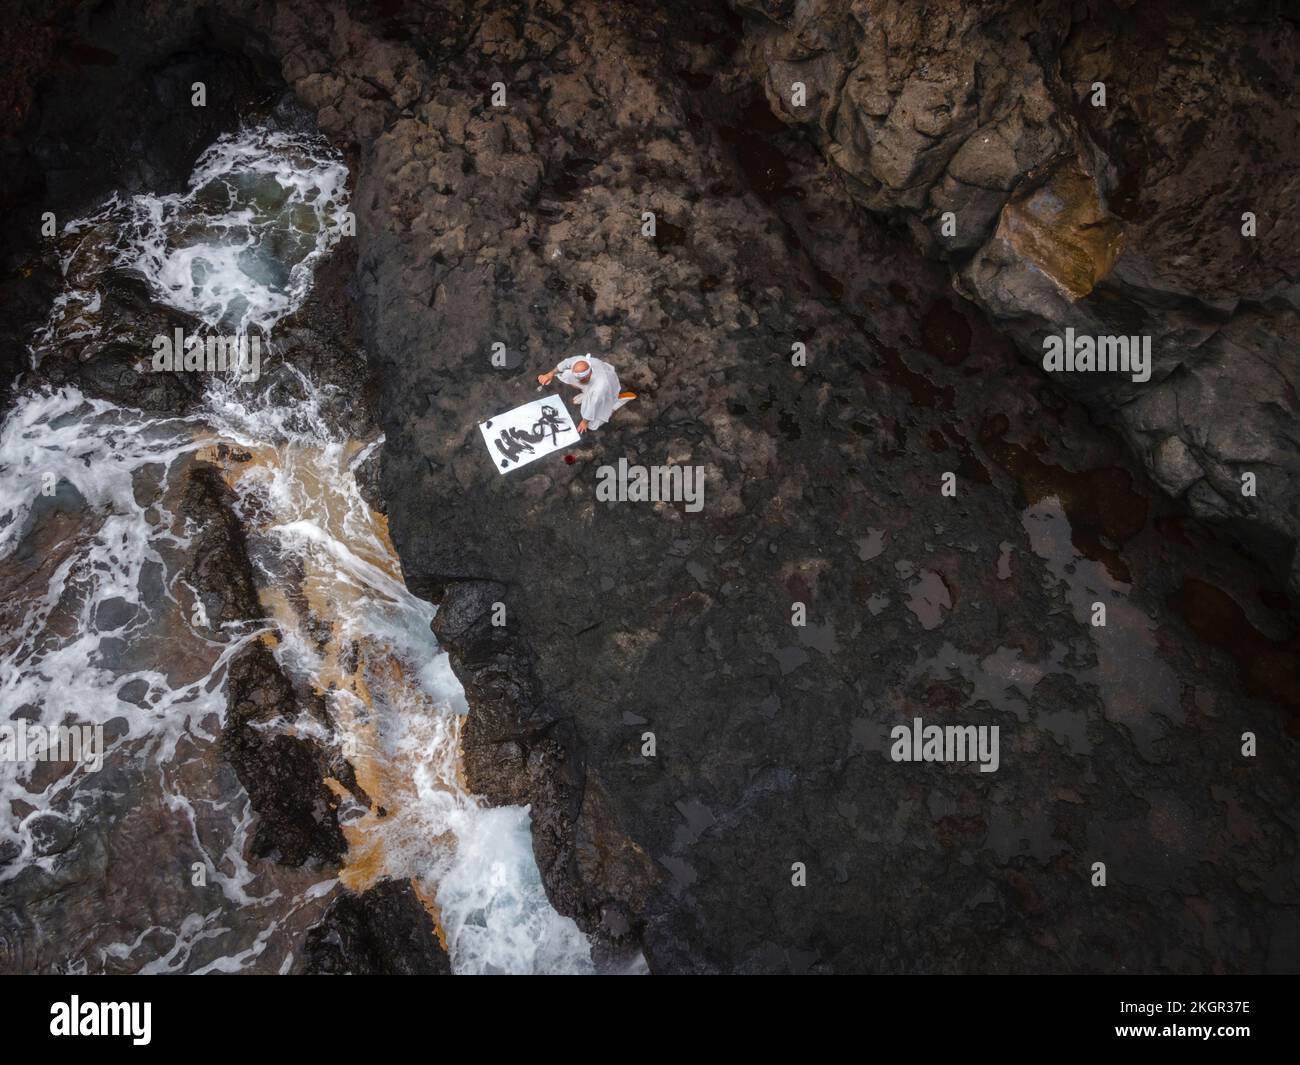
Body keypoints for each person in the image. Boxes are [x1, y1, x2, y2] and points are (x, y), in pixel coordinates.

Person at [537, 353, 636, 433]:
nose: (577, 381)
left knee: (592, 425)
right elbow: (566, 363)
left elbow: (593, 407)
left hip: (606, 391)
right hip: (593, 383)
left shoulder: (599, 389)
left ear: (587, 376)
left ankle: (618, 402)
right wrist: (549, 374)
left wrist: (584, 422)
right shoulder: (581, 361)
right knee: (566, 375)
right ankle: (586, 392)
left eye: (580, 379)